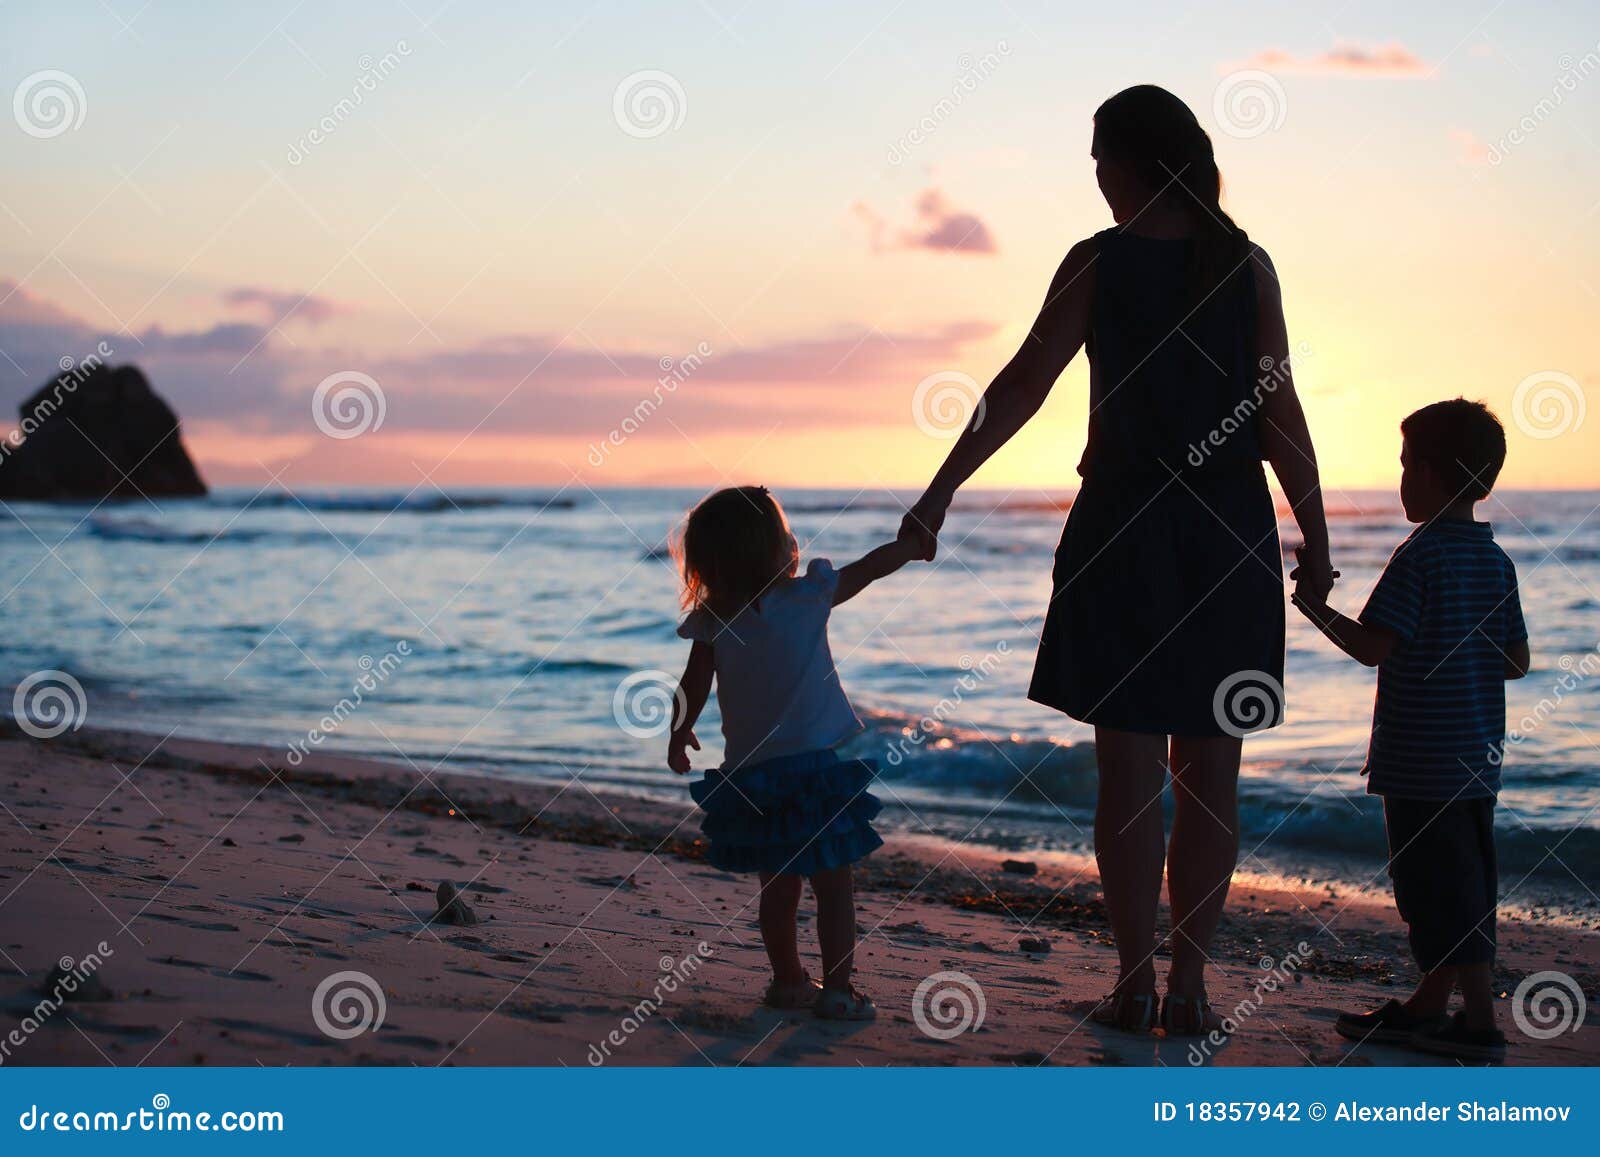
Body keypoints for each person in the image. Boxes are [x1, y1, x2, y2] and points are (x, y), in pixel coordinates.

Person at [899, 84, 1335, 1035]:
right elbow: (1279, 415)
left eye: (1100, 158)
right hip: (1227, 539)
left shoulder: (1099, 263)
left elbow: (1020, 384)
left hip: (1126, 532)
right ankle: (1189, 989)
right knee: (1211, 774)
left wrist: (940, 491)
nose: (1095, 178)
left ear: (1133, 161)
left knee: (1130, 773)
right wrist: (1315, 532)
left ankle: (1138, 985)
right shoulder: (1245, 265)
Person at [1293, 399, 1529, 1062]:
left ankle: (1479, 1022)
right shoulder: (1496, 560)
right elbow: (1517, 659)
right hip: (1479, 759)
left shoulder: (1419, 555)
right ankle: (1431, 1006)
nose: (1399, 480)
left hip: (1422, 760)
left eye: (1403, 466)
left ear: (1428, 472)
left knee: (1433, 892)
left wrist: (1314, 608)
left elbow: (1374, 646)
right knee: (1466, 882)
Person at [667, 485, 921, 1020]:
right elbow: (868, 569)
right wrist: (908, 545)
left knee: (778, 890)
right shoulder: (808, 596)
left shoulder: (715, 619)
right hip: (812, 775)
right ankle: (837, 990)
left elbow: (692, 682)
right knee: (834, 886)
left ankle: (787, 982)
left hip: (753, 776)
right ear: (776, 548)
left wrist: (679, 729)